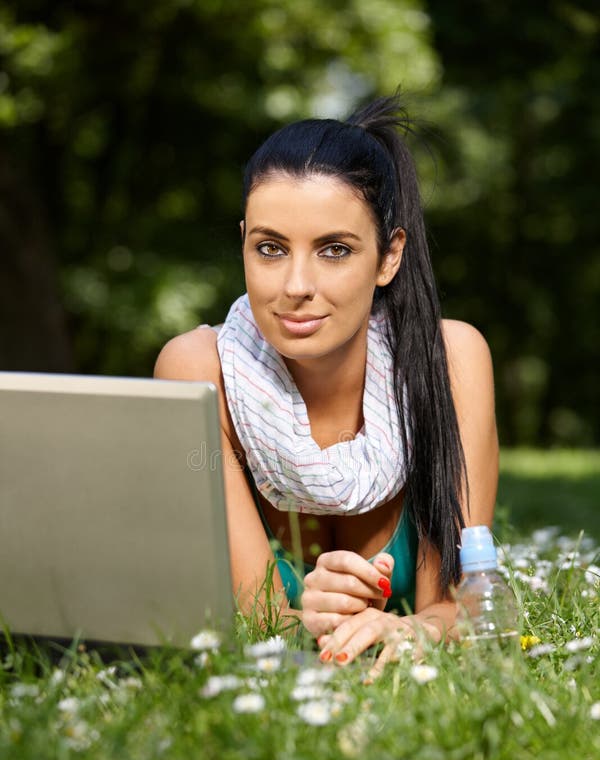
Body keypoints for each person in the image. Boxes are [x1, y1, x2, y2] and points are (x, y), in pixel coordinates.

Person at [154, 93, 498, 676]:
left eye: (334, 250)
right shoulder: (196, 370)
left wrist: (414, 629)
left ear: (389, 256)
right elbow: (246, 620)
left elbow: (467, 603)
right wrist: (303, 625)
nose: (295, 285)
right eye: (270, 248)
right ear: (243, 242)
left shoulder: (449, 359)